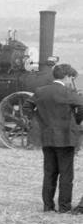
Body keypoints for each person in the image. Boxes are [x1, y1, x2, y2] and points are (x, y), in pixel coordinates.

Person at [33, 63, 83, 213]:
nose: (70, 81)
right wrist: (76, 120)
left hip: (47, 137)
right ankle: (64, 207)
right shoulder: (67, 92)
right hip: (66, 138)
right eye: (70, 78)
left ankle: (48, 207)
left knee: (49, 173)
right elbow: (82, 105)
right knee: (66, 175)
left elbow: (28, 107)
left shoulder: (40, 91)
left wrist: (42, 121)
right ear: (66, 76)